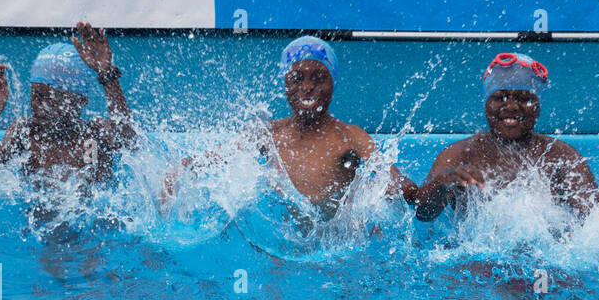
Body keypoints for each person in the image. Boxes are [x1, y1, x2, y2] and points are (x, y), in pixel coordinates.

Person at [164, 36, 415, 220]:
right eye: (297, 79)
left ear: (333, 84)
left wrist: (395, 190)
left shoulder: (349, 137)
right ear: (285, 84)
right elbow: (210, 161)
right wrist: (178, 172)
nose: (306, 87)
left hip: (332, 244)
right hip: (283, 242)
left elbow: (395, 180)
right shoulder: (267, 133)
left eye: (319, 78)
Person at [413, 53, 599, 222]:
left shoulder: (560, 155)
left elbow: (596, 222)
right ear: (486, 103)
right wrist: (443, 182)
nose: (511, 106)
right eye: (500, 98)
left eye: (524, 99)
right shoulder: (461, 154)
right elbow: (423, 213)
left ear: (538, 106)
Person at [0, 22, 135, 186]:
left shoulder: (95, 133)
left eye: (53, 99)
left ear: (81, 100)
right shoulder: (26, 132)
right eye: (37, 96)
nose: (42, 106)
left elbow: (131, 143)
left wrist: (107, 75)